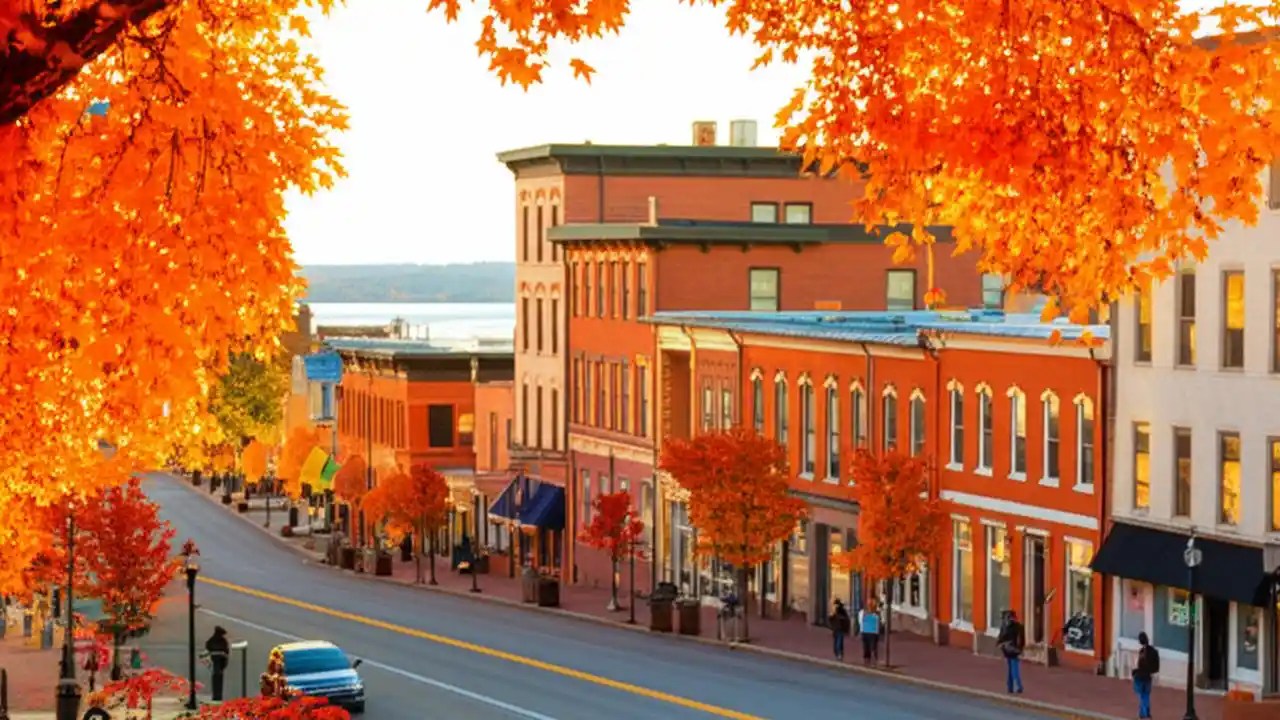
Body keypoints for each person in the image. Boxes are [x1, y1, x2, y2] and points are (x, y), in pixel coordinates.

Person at [1132, 632, 1160, 719]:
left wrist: (1135, 672)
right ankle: (1143, 712)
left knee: (1142, 694)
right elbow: (1156, 667)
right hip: (1148, 676)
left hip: (1141, 676)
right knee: (1146, 694)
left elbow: (1140, 665)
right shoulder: (1153, 651)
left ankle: (1145, 713)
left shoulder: (1142, 652)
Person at [997, 610, 1025, 694]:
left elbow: (1001, 637)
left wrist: (1000, 644)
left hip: (1010, 650)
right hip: (1012, 650)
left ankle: (1012, 687)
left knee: (1012, 669)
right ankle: (1015, 687)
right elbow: (1022, 639)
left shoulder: (1008, 626)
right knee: (1013, 669)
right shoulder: (1017, 626)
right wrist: (1020, 649)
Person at [204, 626, 231, 701]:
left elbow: (208, 646)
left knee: (216, 677)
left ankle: (217, 696)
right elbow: (227, 651)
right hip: (218, 662)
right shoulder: (222, 641)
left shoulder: (214, 640)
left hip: (218, 662)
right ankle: (217, 696)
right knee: (218, 677)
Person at [858, 598, 882, 665]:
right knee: (868, 646)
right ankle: (868, 659)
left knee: (871, 646)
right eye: (870, 604)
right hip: (867, 631)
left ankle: (871, 659)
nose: (870, 605)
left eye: (871, 604)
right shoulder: (863, 612)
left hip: (871, 632)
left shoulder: (876, 613)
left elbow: (879, 622)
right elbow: (861, 621)